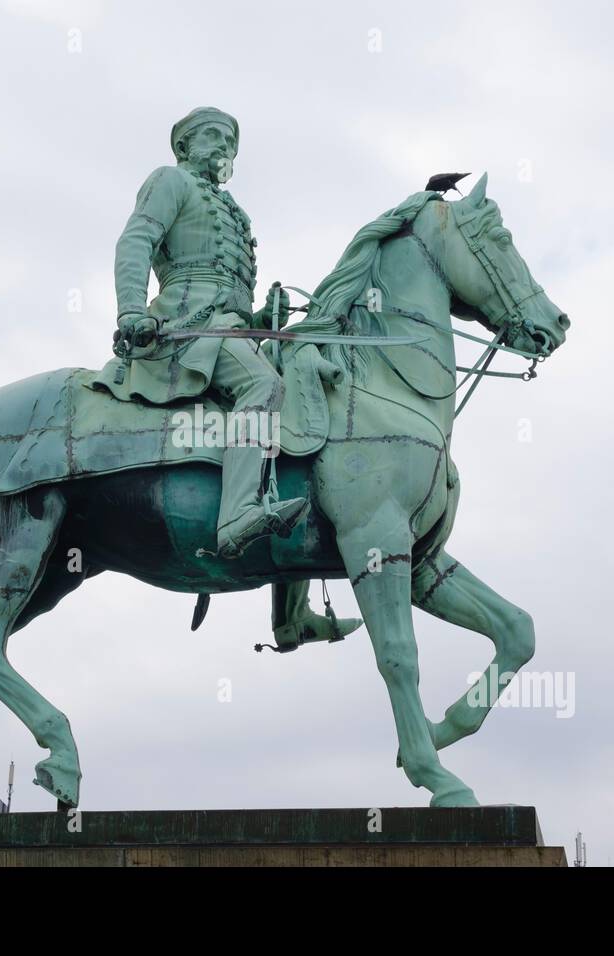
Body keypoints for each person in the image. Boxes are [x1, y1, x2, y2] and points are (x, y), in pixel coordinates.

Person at [91, 106, 360, 646]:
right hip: (187, 328)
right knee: (264, 388)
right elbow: (135, 241)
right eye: (212, 136)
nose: (224, 147)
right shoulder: (170, 182)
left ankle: (292, 611)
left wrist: (265, 319)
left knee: (306, 417)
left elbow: (232, 299)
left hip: (233, 332)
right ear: (185, 147)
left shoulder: (232, 209)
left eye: (230, 140)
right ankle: (237, 515)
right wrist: (129, 311)